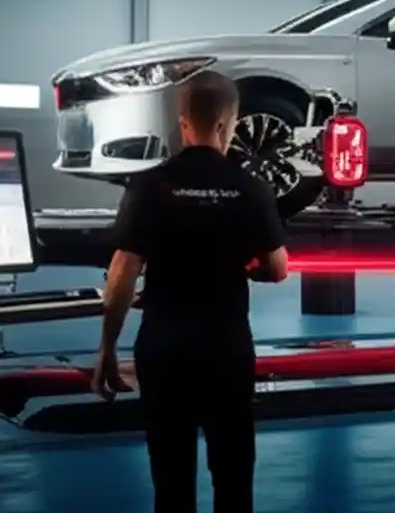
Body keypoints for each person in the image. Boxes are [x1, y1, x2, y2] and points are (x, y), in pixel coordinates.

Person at [92, 70, 289, 513]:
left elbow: (123, 272)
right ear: (228, 124)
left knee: (171, 478)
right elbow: (277, 269)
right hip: (227, 349)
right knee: (234, 476)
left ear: (183, 123)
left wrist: (107, 347)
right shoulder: (252, 189)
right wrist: (239, 267)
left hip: (164, 349)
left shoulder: (148, 185)